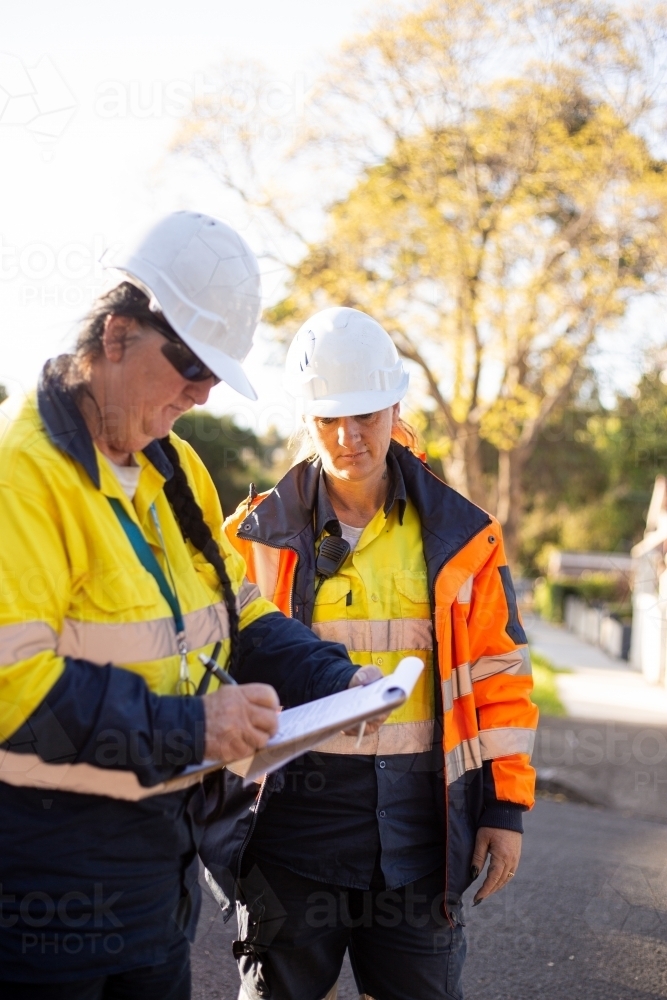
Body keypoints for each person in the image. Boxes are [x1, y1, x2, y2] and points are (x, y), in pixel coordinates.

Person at [0, 215, 378, 999]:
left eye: (213, 375)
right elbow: (15, 686)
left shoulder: (179, 472)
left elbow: (235, 615)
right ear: (115, 336)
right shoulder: (20, 474)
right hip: (39, 890)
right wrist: (192, 728)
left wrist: (333, 680)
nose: (201, 393)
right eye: (190, 366)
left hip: (155, 878)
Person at [216, 306, 539, 1000]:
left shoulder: (463, 535)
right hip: (289, 837)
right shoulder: (250, 535)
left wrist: (502, 808)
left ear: (395, 405)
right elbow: (210, 664)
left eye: (363, 414)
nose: (347, 436)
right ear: (304, 418)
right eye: (328, 418)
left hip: (419, 838)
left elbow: (500, 675)